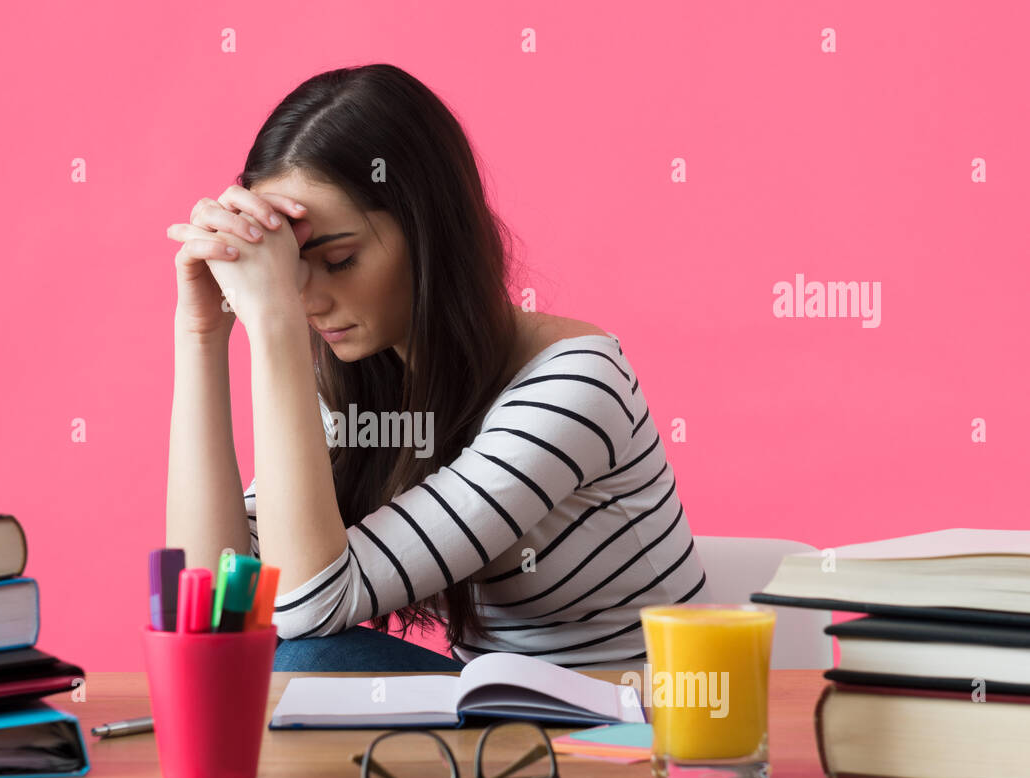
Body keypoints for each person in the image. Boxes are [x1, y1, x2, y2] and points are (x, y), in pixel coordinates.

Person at [165, 64, 707, 672]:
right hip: (503, 715)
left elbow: (306, 605)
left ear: (431, 233)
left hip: (626, 730)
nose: (306, 297)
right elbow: (214, 601)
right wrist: (202, 335)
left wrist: (274, 326)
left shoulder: (577, 387)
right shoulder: (362, 386)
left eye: (338, 260)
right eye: (291, 267)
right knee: (254, 660)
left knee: (302, 661)